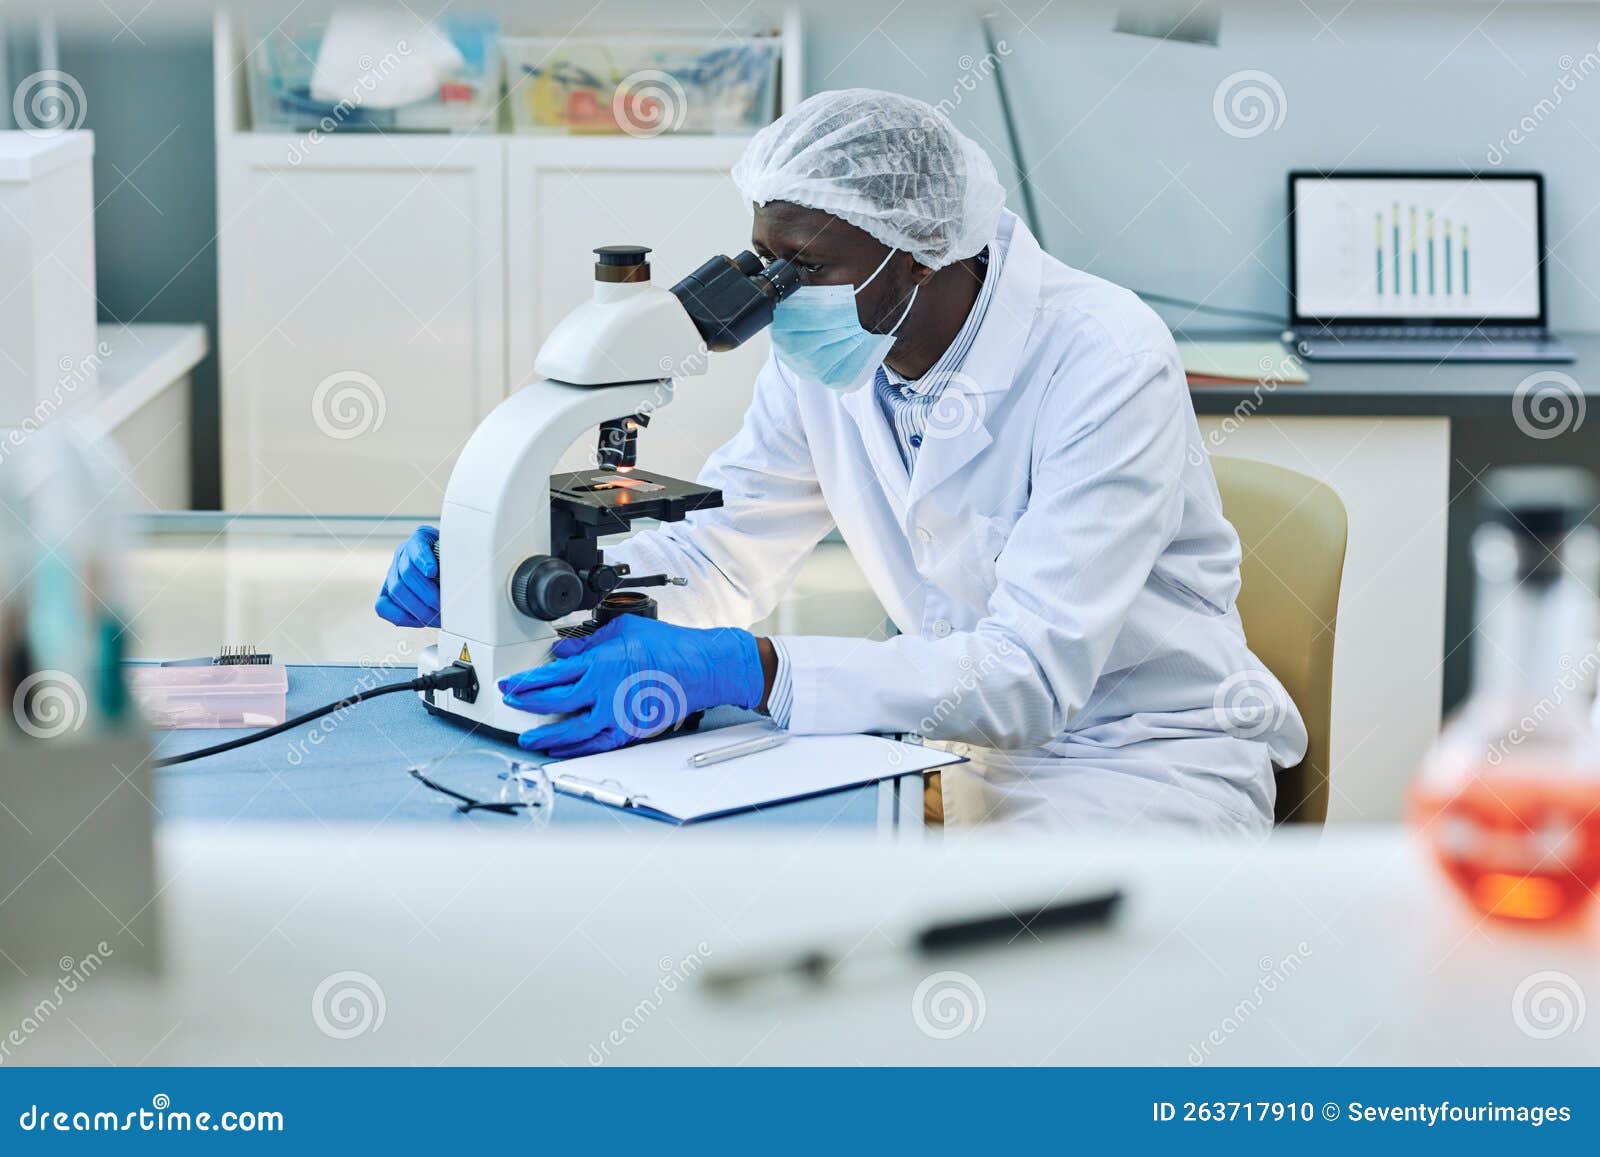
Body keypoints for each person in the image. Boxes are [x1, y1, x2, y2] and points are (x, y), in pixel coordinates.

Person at [377, 88, 1306, 834]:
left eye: (802, 267)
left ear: (923, 257)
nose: (772, 296)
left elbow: (1028, 673)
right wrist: (512, 573)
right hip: (946, 747)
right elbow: (719, 553)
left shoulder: (1103, 357)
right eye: (759, 259)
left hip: (1140, 762)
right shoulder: (834, 357)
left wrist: (753, 668)